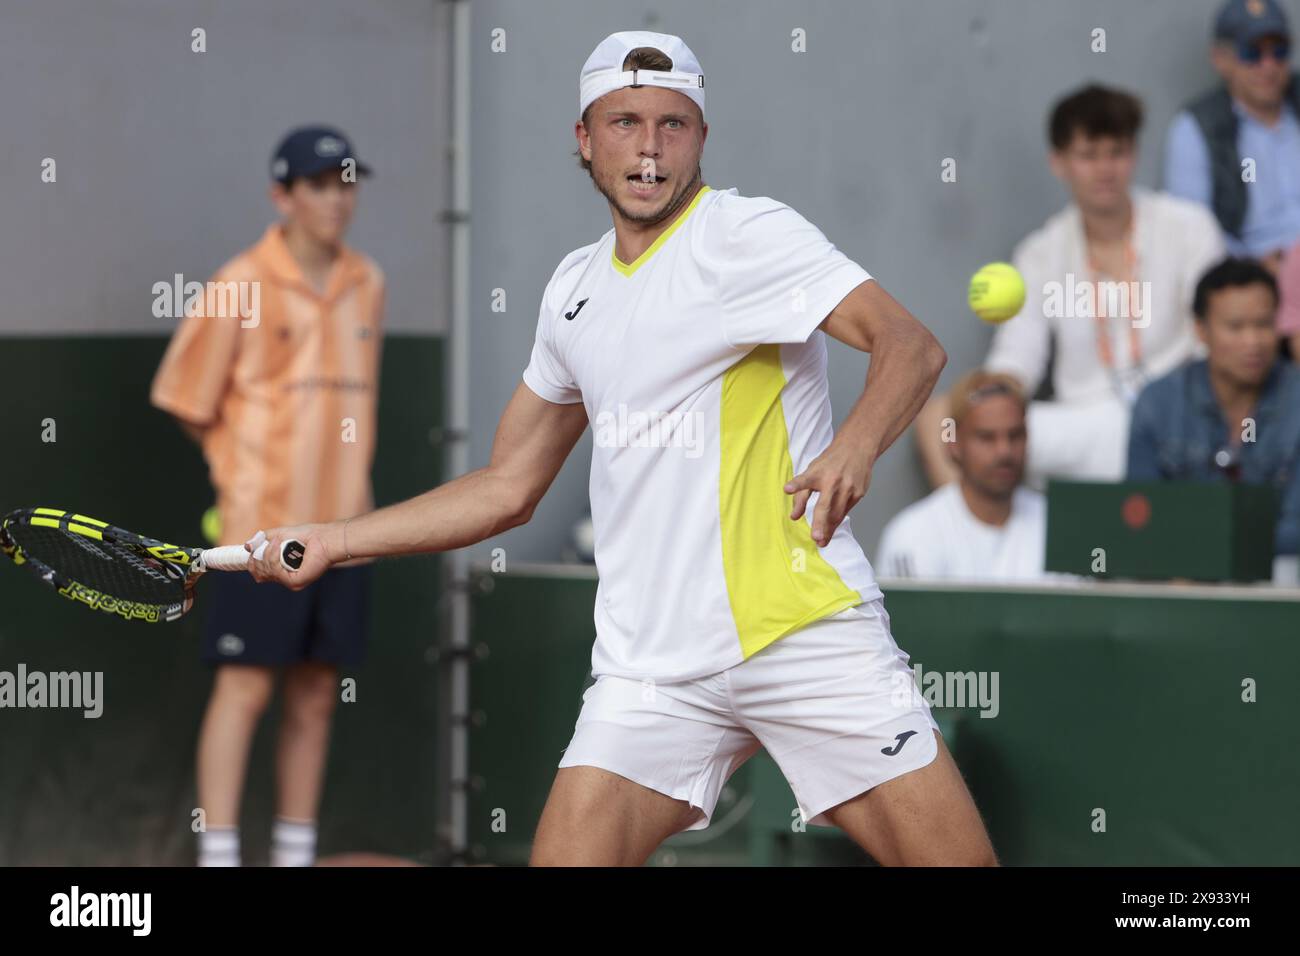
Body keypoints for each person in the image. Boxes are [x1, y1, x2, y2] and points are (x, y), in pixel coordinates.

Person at [246, 31, 997, 867]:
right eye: (625, 121)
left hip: (803, 629)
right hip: (652, 669)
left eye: (674, 124)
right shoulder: (573, 292)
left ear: (701, 137)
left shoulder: (748, 236)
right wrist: (335, 540)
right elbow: (505, 486)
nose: (649, 148)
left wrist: (855, 445)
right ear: (584, 138)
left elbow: (910, 345)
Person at [150, 126, 384, 867]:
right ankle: (218, 856)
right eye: (319, 185)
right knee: (245, 687)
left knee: (316, 695)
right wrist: (240, 472)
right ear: (282, 196)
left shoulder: (369, 282)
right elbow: (185, 399)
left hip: (347, 530)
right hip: (259, 533)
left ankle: (294, 856)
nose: (337, 199)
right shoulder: (239, 282)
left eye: (346, 183)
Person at [916, 84, 1225, 488]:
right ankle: (980, 547)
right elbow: (1017, 359)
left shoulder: (1189, 227)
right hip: (1085, 423)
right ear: (1058, 162)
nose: (1105, 169)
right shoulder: (1041, 252)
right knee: (939, 420)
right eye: (1088, 155)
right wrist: (992, 390)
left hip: (1178, 415)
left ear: (1133, 153)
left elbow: (1215, 341)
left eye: (1116, 152)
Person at [1128, 257, 1300, 565]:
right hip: (1178, 580)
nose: (1253, 342)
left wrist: (1209, 544)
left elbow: (1296, 529)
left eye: (1264, 324)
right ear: (1201, 330)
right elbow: (1139, 514)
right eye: (1235, 327)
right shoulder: (1159, 402)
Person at [1165, 0, 1300, 268]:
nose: (1269, 65)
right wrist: (1253, 266)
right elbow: (1188, 229)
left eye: (1279, 51)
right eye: (1252, 53)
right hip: (1255, 278)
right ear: (1220, 59)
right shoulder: (1196, 127)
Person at [877, 371, 1047, 582]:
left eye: (1015, 435)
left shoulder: (1061, 527)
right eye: (986, 437)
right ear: (954, 443)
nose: (1004, 451)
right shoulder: (912, 534)